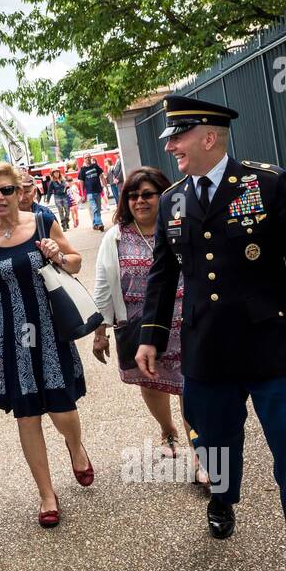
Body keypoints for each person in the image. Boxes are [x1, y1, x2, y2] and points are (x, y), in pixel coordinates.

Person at [134, 95, 286, 571]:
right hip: (208, 352)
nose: (171, 146)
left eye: (179, 136)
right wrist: (151, 335)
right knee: (216, 445)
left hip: (272, 348)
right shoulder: (174, 202)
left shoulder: (267, 184)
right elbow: (164, 274)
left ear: (209, 137)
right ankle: (222, 497)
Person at [0, 163, 90, 528]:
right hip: (11, 335)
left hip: (49, 328)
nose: (0, 198)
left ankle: (75, 445)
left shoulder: (41, 223)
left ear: (19, 191)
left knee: (62, 407)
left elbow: (76, 263)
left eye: (6, 190)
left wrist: (56, 253)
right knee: (27, 414)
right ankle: (46, 494)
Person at [91, 166, 209, 486]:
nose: (139, 201)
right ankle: (168, 430)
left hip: (185, 321)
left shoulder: (180, 227)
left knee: (189, 387)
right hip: (140, 326)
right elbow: (103, 284)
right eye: (132, 195)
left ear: (164, 195)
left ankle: (200, 456)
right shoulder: (115, 236)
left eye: (147, 195)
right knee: (152, 384)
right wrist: (100, 330)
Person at [80, 160, 104, 230]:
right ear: (84, 159)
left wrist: (105, 188)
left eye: (89, 157)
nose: (87, 158)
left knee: (98, 209)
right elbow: (81, 182)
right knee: (95, 209)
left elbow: (102, 176)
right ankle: (100, 223)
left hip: (98, 191)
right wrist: (82, 194)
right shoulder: (83, 169)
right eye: (86, 157)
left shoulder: (96, 166)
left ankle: (95, 224)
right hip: (89, 193)